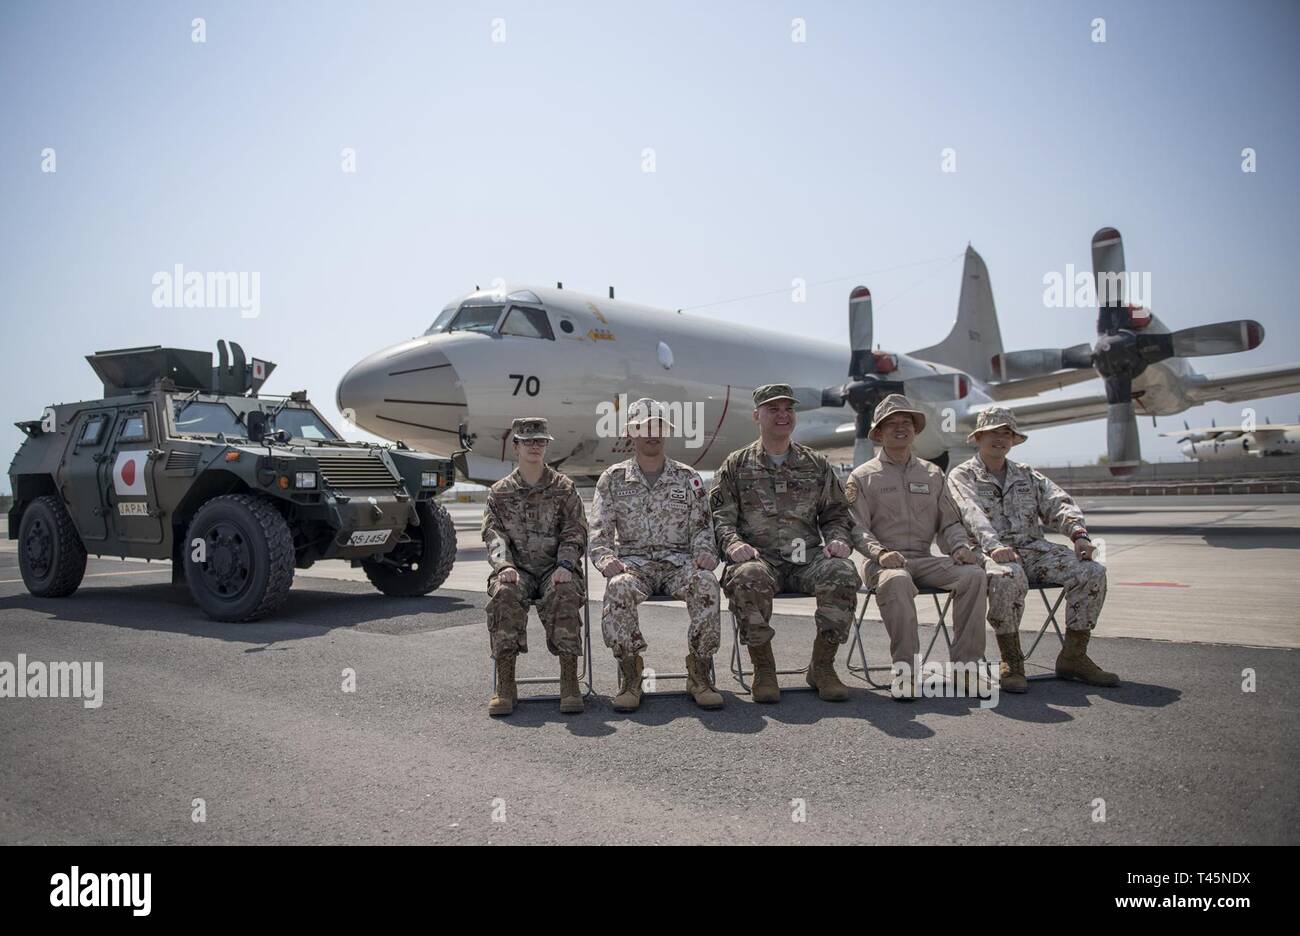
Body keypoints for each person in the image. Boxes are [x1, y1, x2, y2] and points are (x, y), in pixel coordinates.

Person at [947, 407, 1119, 692]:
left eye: (1007, 434)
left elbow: (1057, 502)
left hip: (1031, 548)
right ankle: (1011, 661)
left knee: (1091, 571)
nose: (1000, 439)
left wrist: (1079, 535)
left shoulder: (1026, 475)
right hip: (985, 552)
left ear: (1014, 440)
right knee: (1006, 576)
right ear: (978, 438)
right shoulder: (963, 475)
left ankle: (1074, 656)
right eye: (993, 433)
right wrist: (994, 546)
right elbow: (970, 513)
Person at [711, 384, 861, 703]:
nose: (782, 415)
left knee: (843, 572)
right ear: (757, 416)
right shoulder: (736, 465)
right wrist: (733, 543)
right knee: (746, 575)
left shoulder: (815, 464)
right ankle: (763, 668)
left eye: (788, 409)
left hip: (805, 559)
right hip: (759, 559)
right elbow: (721, 517)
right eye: (773, 409)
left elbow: (836, 513)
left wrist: (837, 540)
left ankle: (822, 667)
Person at [845, 394, 987, 699]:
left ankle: (967, 669)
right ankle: (905, 672)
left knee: (974, 575)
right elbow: (857, 528)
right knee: (897, 580)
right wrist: (881, 553)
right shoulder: (863, 476)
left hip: (925, 559)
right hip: (882, 562)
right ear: (879, 433)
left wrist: (959, 546)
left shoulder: (933, 474)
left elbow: (949, 523)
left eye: (906, 422)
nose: (900, 428)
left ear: (915, 430)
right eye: (891, 423)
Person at [590, 398, 723, 711]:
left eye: (658, 426)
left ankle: (700, 673)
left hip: (679, 564)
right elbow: (599, 530)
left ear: (667, 431)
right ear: (631, 432)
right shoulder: (613, 478)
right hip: (634, 564)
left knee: (706, 583)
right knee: (618, 586)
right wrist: (605, 559)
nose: (652, 433)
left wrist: (705, 553)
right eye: (644, 426)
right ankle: (631, 674)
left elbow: (703, 527)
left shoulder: (687, 477)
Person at [481, 417, 588, 716]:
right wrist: (504, 566)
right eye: (528, 441)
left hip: (556, 569)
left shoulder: (563, 487)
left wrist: (566, 563)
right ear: (515, 445)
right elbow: (494, 535)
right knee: (503, 593)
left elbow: (575, 531)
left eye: (540, 441)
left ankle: (569, 680)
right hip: (518, 571)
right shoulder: (499, 492)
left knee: (564, 591)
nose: (534, 447)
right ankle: (506, 683)